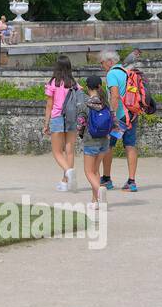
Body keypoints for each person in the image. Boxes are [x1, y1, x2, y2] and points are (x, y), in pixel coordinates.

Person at [99, 49, 139, 192]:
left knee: (109, 145)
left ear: (109, 62)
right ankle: (132, 181)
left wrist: (112, 115)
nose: (101, 65)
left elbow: (114, 96)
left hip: (120, 116)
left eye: (102, 62)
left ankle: (106, 178)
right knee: (130, 145)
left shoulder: (112, 74)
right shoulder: (126, 72)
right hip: (132, 113)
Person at [42, 55, 79, 191]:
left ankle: (68, 172)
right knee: (69, 151)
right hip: (72, 118)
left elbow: (49, 105)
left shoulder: (53, 83)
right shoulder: (74, 84)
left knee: (57, 152)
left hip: (57, 117)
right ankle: (66, 182)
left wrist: (46, 124)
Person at [80, 76, 111, 214]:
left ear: (88, 87)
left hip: (91, 140)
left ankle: (99, 191)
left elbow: (80, 122)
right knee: (96, 171)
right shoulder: (106, 103)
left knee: (88, 171)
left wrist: (80, 134)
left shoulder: (86, 103)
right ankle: (95, 201)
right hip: (104, 140)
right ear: (100, 86)